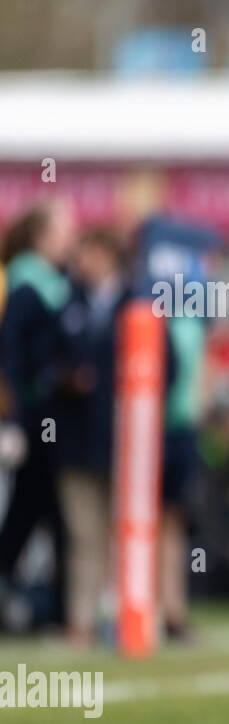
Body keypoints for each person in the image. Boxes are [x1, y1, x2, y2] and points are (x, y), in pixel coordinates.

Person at [0, 199, 78, 632]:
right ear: (41, 236)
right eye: (64, 228)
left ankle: (53, 608)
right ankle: (58, 611)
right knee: (37, 512)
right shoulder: (27, 286)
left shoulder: (56, 282)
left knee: (35, 513)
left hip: (48, 420)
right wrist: (13, 419)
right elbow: (11, 356)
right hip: (34, 422)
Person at [52, 227, 129, 647]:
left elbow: (163, 366)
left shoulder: (137, 302)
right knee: (83, 534)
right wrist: (64, 379)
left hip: (124, 440)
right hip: (76, 439)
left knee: (125, 533)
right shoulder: (69, 301)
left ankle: (123, 616)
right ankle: (80, 622)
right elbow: (44, 359)